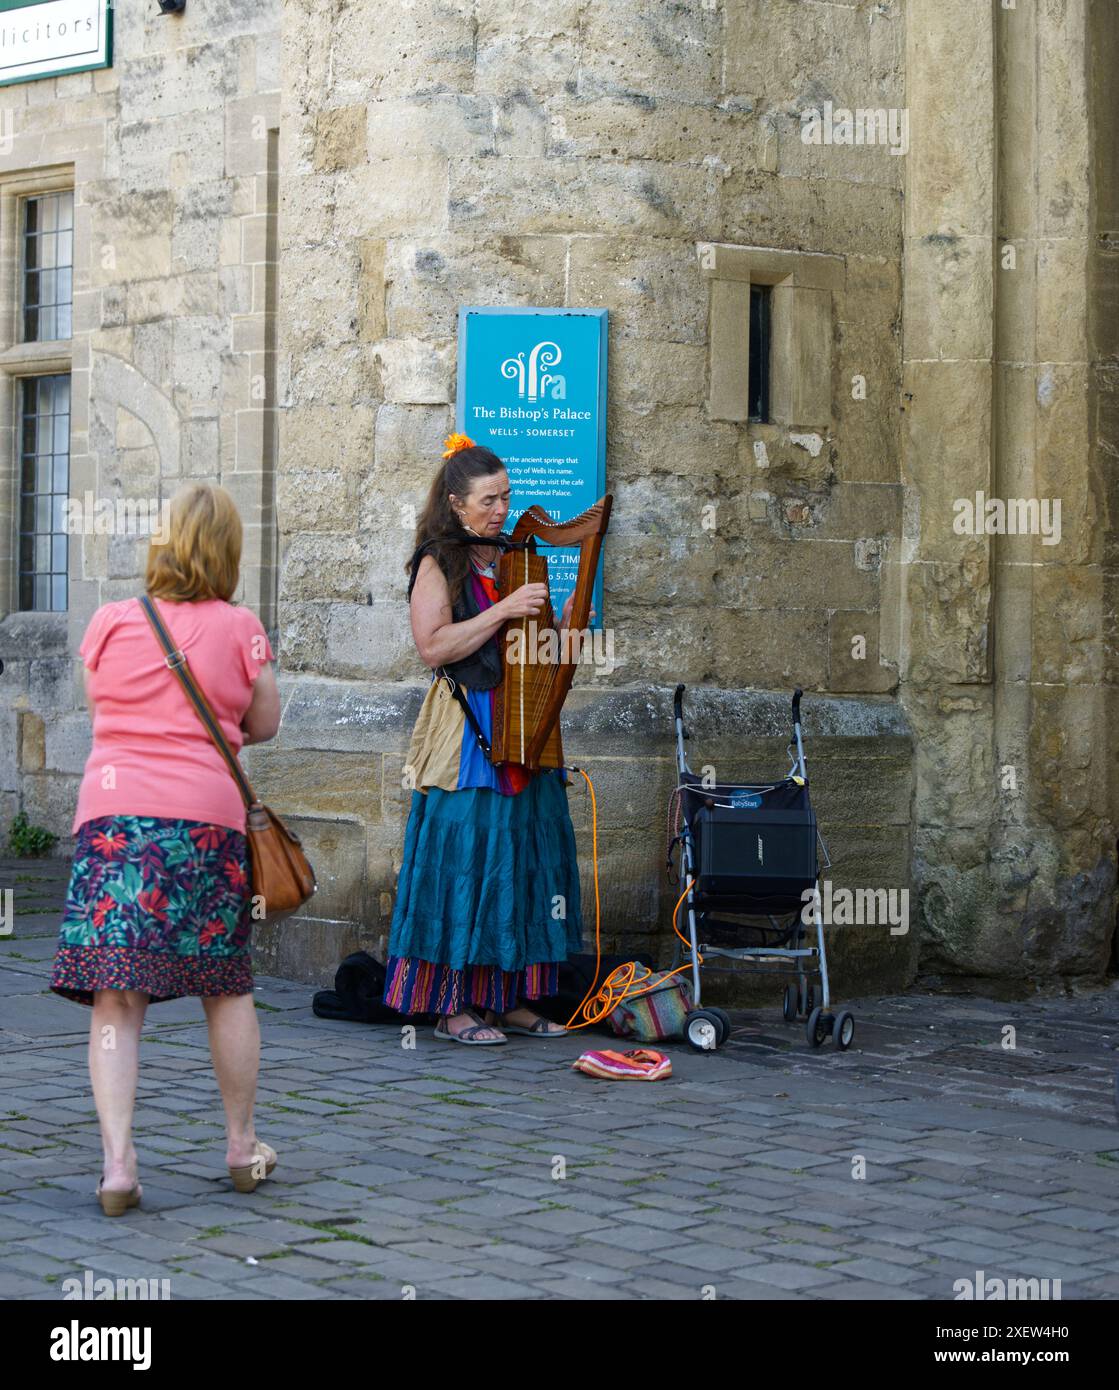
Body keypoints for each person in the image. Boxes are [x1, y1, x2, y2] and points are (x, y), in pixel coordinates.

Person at [49, 483, 282, 1215]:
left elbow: (102, 709)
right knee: (226, 986)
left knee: (117, 998)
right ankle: (242, 1146)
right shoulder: (242, 626)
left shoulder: (112, 622)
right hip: (207, 823)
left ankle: (119, 1166)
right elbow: (264, 722)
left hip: (116, 820)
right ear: (228, 551)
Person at [384, 434, 586, 1044]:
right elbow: (433, 646)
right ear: (455, 503)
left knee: (523, 854)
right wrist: (503, 611)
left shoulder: (511, 559)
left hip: (521, 724)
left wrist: (575, 616)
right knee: (466, 859)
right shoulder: (436, 562)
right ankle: (452, 1005)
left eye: (506, 497)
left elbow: (538, 649)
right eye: (489, 499)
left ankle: (514, 998)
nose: (501, 509)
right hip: (467, 730)